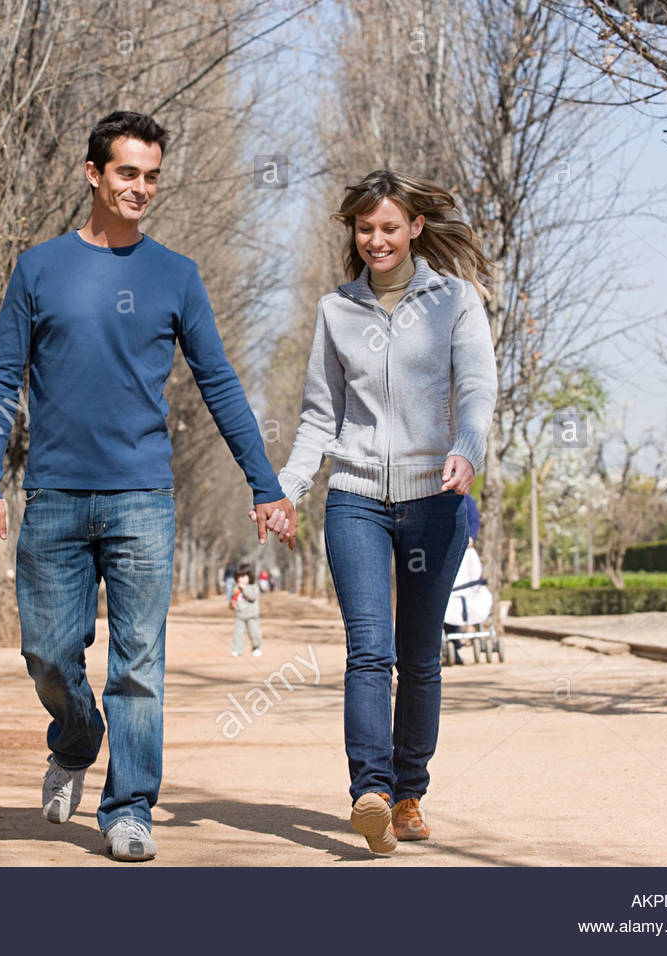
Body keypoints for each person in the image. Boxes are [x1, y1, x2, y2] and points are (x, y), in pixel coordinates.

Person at [0, 111, 296, 862]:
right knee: (47, 653)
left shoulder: (174, 276)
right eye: (127, 172)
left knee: (139, 663)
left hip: (142, 497)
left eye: (151, 176)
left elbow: (219, 382)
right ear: (93, 173)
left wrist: (265, 483)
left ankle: (130, 807)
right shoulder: (38, 268)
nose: (140, 188)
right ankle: (77, 740)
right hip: (52, 494)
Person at [265, 170, 497, 855]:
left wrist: (467, 447)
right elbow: (318, 416)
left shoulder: (454, 301)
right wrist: (289, 487)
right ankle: (369, 789)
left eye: (389, 227)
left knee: (420, 655)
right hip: (357, 497)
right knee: (370, 649)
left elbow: (478, 386)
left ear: (415, 228)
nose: (376, 240)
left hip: (436, 497)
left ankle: (408, 793)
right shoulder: (336, 311)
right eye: (365, 229)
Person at [443, 494, 491, 664]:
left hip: (466, 553)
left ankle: (457, 645)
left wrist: (471, 537)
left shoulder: (468, 500)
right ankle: (454, 646)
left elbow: (474, 521)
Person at [229, 563, 264, 658]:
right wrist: (232, 604)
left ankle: (257, 647)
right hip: (239, 614)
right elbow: (233, 599)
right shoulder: (236, 588)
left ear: (249, 576)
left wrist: (244, 588)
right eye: (239, 576)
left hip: (251, 615)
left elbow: (252, 597)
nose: (241, 579)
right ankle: (237, 649)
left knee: (254, 632)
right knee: (238, 633)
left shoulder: (253, 586)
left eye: (244, 576)